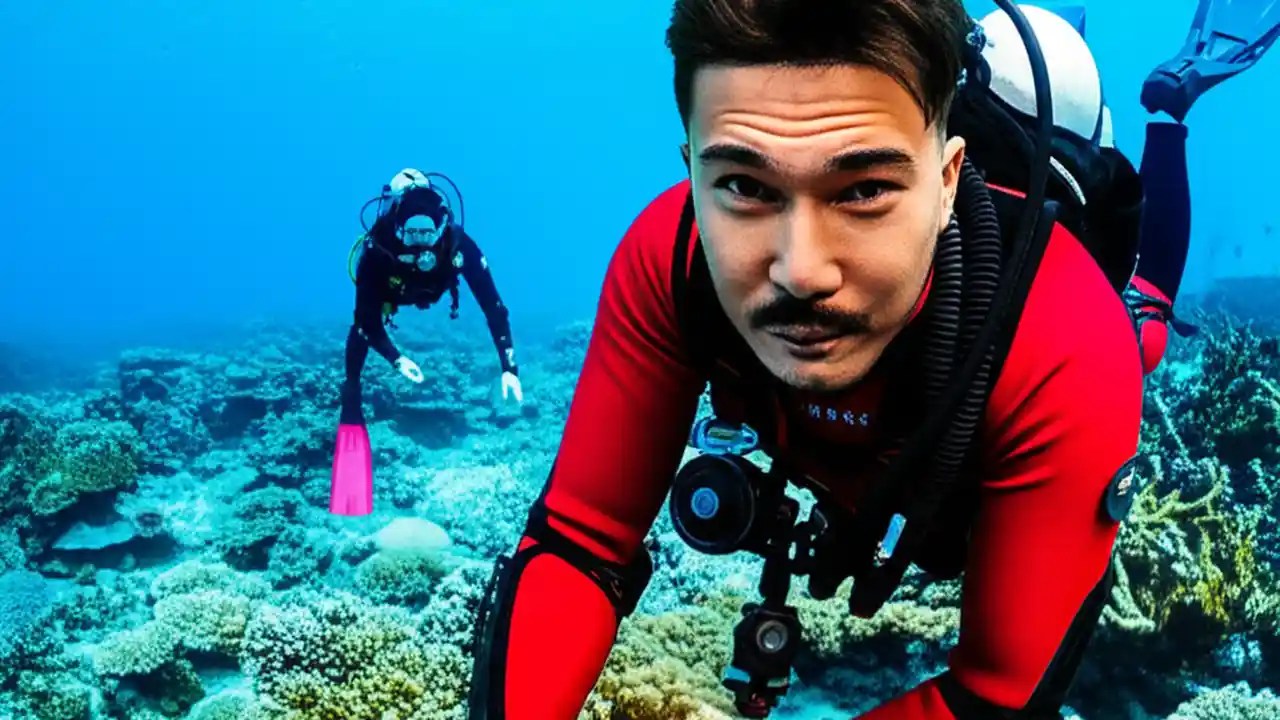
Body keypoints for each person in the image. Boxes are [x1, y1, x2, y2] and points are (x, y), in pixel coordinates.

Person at [466, 3, 1275, 720]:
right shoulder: (671, 257)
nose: (801, 270)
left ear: (948, 178)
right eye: (745, 186)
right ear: (691, 173)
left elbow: (999, 693)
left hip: (1061, 333)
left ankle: (1169, 108)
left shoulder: (1064, 340)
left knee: (1146, 323)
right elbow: (580, 540)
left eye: (863, 191)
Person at [328, 168, 523, 516]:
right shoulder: (377, 251)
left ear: (441, 225)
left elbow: (495, 307)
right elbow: (366, 321)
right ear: (397, 226)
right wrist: (395, 358)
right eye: (411, 233)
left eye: (427, 233)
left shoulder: (459, 246)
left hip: (431, 289)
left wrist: (509, 369)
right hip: (392, 293)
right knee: (357, 332)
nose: (420, 244)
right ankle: (351, 397)